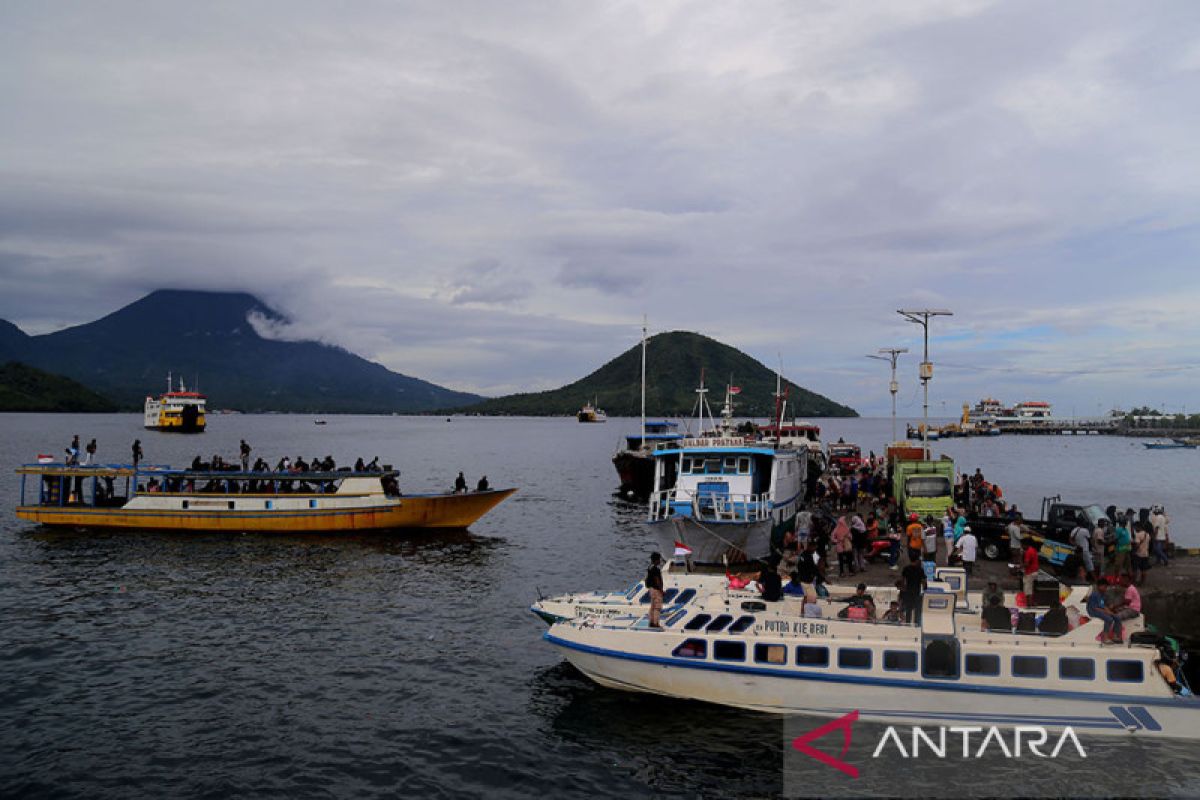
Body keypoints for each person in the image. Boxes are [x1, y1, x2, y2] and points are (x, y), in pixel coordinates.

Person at [1087, 577, 1123, 644]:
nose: (1106, 588)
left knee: (1117, 617)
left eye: (1106, 587)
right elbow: (1095, 608)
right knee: (1109, 619)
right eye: (1104, 586)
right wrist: (1106, 612)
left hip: (1100, 610)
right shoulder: (1094, 595)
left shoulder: (1102, 595)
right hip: (1093, 611)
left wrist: (1110, 611)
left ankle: (1115, 636)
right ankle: (1105, 638)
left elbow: (1103, 605)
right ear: (1099, 586)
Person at [900, 559, 926, 624]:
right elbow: (923, 581)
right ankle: (916, 623)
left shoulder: (906, 568)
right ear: (916, 560)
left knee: (908, 610)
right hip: (917, 593)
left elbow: (902, 580)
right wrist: (925, 589)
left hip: (908, 592)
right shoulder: (920, 570)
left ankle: (908, 623)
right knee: (917, 610)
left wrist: (903, 588)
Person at [646, 553, 665, 628]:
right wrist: (661, 590)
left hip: (651, 589)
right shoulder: (656, 569)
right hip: (656, 590)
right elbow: (657, 580)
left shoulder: (650, 568)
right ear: (656, 560)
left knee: (652, 607)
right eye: (659, 559)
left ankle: (651, 622)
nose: (660, 561)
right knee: (657, 607)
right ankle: (656, 623)